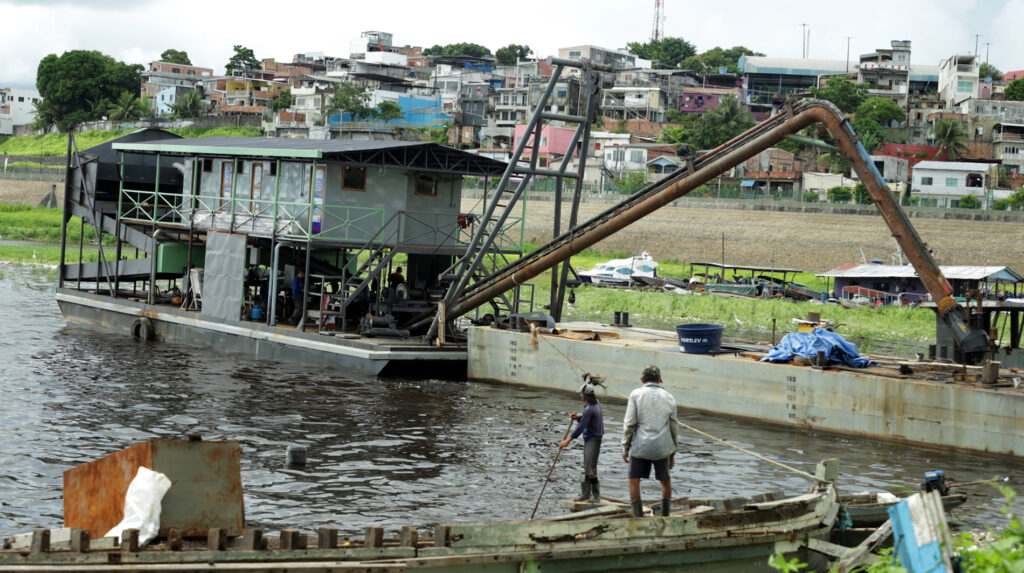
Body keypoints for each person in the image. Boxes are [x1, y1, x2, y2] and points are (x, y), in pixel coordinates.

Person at [622, 364, 678, 518]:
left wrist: (625, 447)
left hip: (641, 447)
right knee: (665, 480)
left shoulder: (635, 395)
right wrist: (673, 453)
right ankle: (665, 516)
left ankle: (638, 517)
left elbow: (630, 424)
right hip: (662, 447)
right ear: (659, 379)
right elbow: (674, 427)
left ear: (642, 379)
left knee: (634, 481)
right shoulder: (669, 397)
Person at [558, 377, 604, 503]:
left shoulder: (589, 409)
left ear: (585, 395)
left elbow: (580, 428)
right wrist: (578, 417)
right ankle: (585, 494)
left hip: (593, 439)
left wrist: (567, 441)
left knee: (590, 467)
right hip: (593, 437)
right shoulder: (595, 404)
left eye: (581, 393)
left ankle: (595, 495)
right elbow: (586, 420)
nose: (580, 395)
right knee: (588, 466)